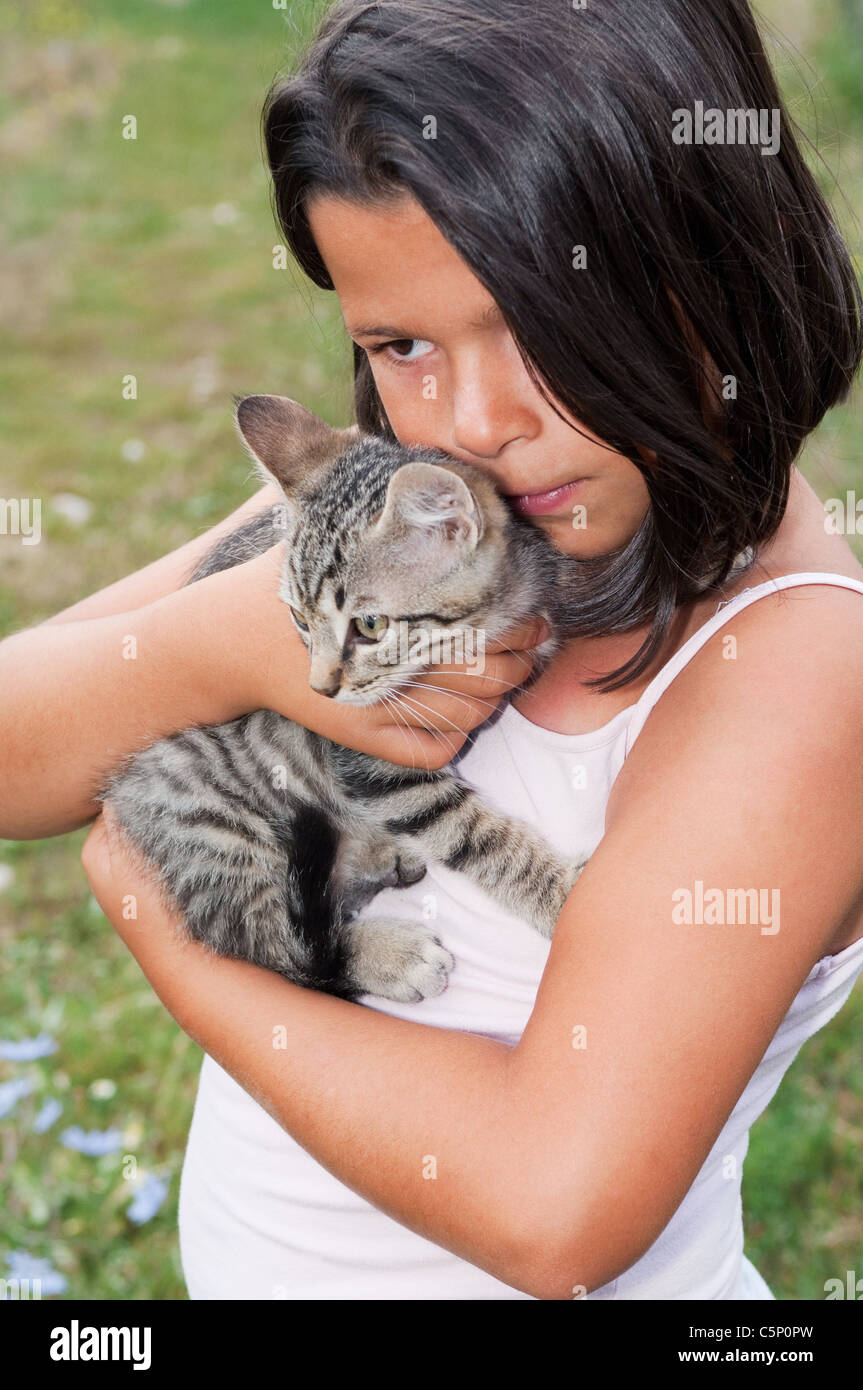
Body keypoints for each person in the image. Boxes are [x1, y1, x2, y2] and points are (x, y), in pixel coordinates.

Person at [4, 0, 863, 1299]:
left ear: (717, 255)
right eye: (400, 345)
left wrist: (166, 934)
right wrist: (225, 645)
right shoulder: (399, 502)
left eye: (534, 324)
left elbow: (551, 1201)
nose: (474, 421)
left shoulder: (788, 668)